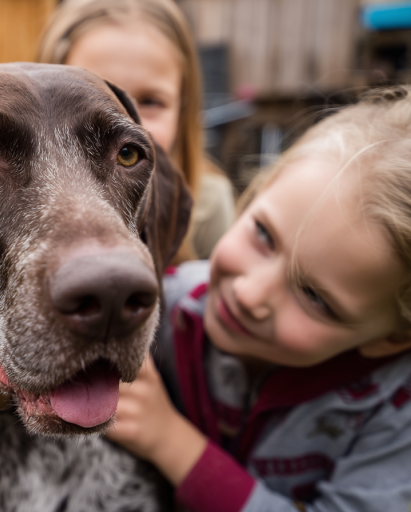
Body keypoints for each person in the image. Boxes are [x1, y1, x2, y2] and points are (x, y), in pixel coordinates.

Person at [107, 87, 411, 511]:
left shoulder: (396, 413)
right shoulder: (162, 308)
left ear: (394, 338)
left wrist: (171, 442)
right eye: (264, 235)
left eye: (315, 297)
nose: (250, 295)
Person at [36, 0, 236, 261]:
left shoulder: (209, 204)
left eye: (151, 101)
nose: (127, 121)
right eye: (98, 94)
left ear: (182, 110)